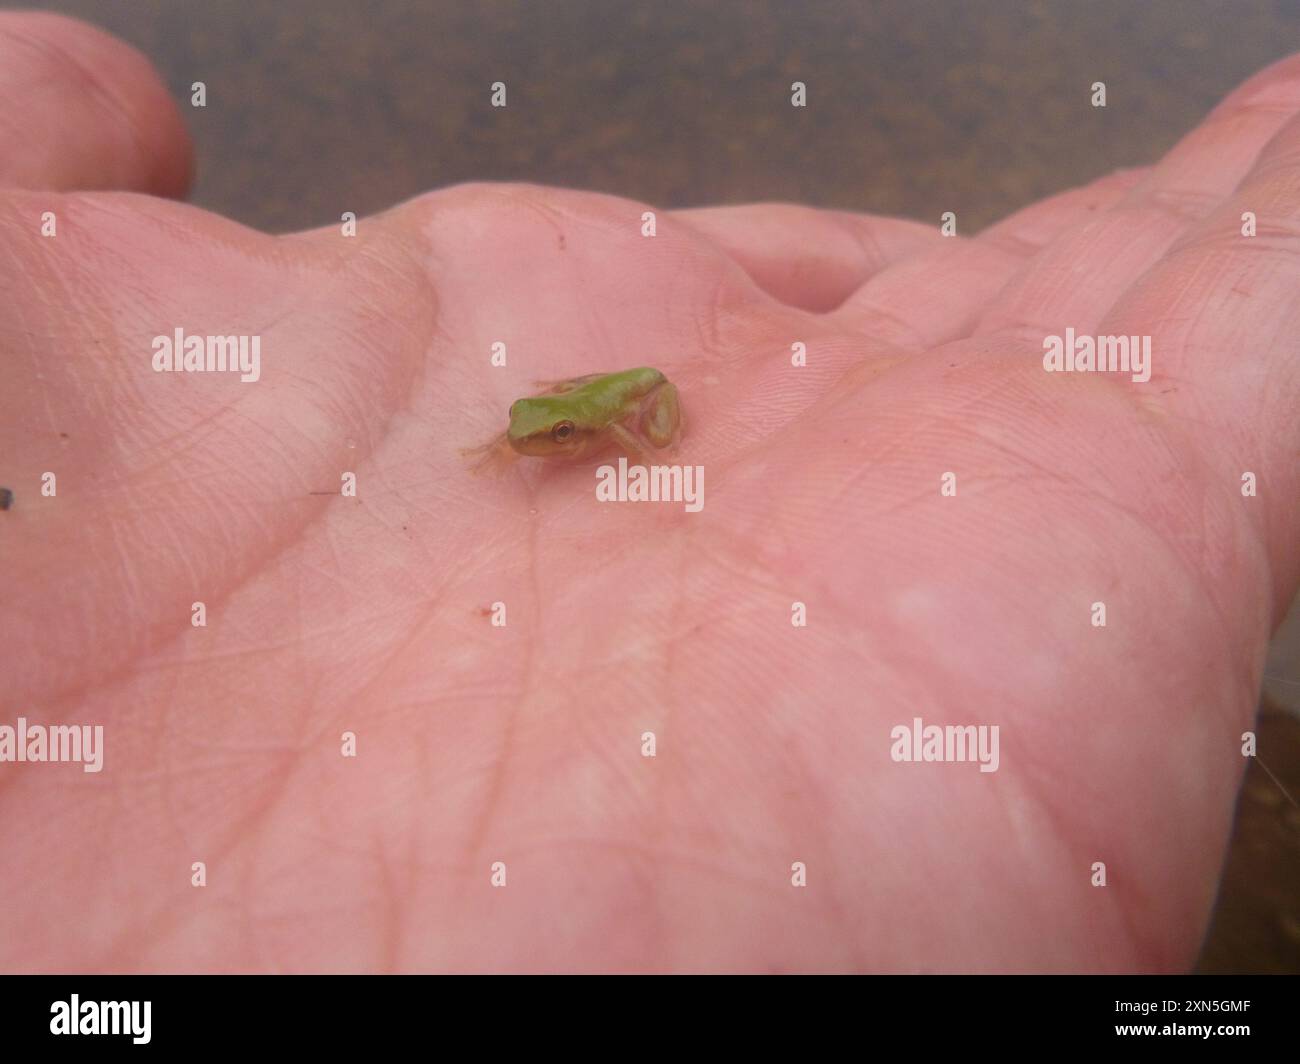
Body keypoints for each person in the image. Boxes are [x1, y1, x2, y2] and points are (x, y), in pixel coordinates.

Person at [1, 11, 1296, 972]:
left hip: (627, 395)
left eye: (543, 440)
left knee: (630, 413)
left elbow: (614, 424)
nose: (533, 450)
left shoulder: (600, 431)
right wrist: (521, 436)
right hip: (587, 392)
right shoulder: (534, 433)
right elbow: (527, 427)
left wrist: (633, 443)